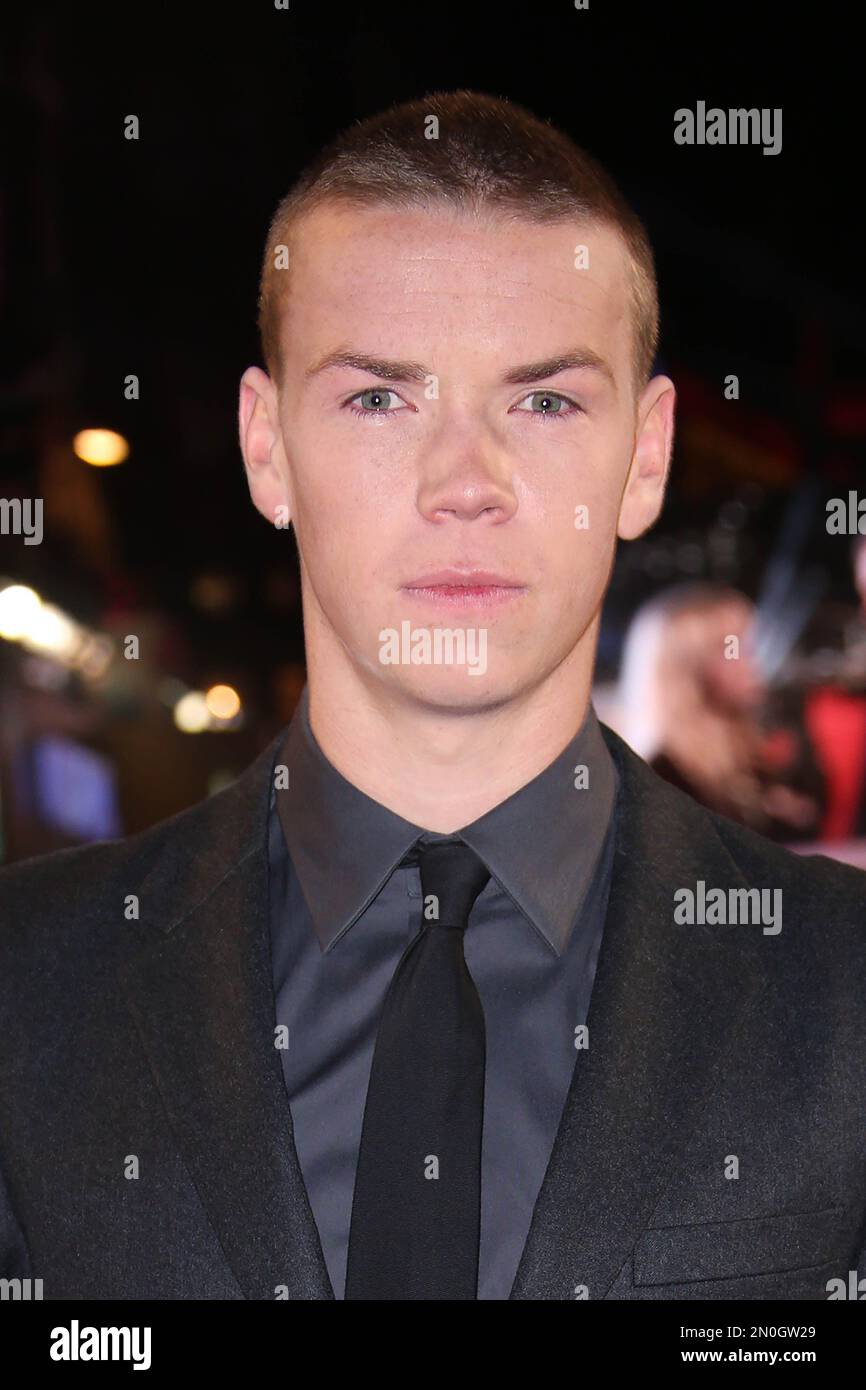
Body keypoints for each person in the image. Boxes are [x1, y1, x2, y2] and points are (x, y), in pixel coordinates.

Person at [2, 89, 865, 1303]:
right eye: (378, 398)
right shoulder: (28, 981)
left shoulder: (841, 989)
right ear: (266, 447)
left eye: (545, 400)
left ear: (648, 455)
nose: (467, 480)